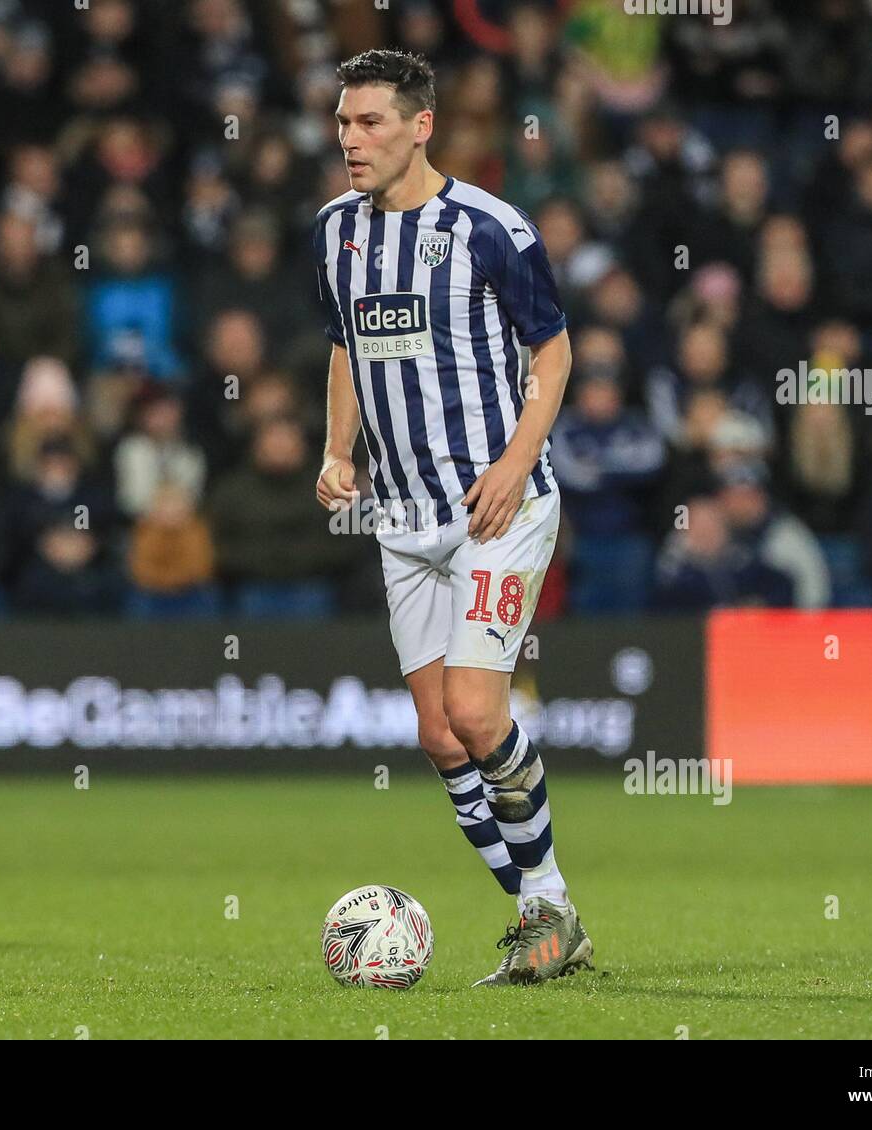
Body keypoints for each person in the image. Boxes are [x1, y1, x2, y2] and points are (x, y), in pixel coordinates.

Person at [312, 50, 590, 986]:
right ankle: (543, 918)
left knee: (478, 712)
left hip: (495, 507)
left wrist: (515, 461)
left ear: (420, 126)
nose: (351, 140)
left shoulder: (488, 227)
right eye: (344, 123)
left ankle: (550, 905)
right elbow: (346, 346)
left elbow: (551, 353)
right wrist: (337, 449)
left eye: (370, 123)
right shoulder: (334, 232)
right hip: (404, 519)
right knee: (439, 736)